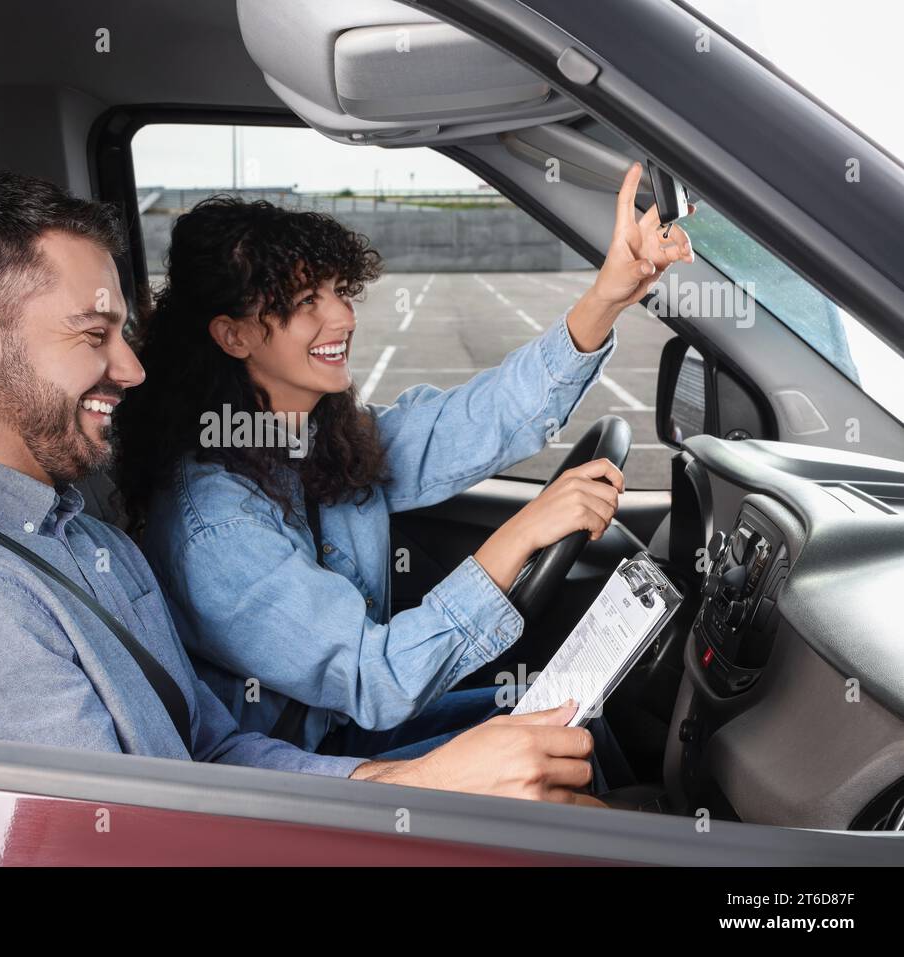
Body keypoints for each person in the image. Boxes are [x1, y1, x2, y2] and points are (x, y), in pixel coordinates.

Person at [0, 171, 607, 805]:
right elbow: (121, 850)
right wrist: (426, 786)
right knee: (562, 790)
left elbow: (209, 746)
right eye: (94, 336)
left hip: (259, 800)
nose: (130, 367)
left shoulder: (76, 529)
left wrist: (404, 782)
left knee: (565, 752)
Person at [115, 163, 691, 774]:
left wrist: (607, 296)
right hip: (302, 773)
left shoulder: (323, 441)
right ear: (234, 336)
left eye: (339, 291)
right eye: (306, 302)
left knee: (575, 718)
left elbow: (483, 418)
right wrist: (523, 532)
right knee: (566, 750)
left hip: (345, 732)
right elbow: (376, 676)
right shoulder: (216, 526)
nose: (342, 319)